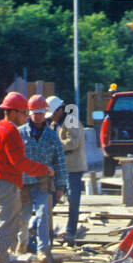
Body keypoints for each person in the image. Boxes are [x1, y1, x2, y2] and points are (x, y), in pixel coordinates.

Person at [0, 92, 53, 263]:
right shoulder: (11, 131)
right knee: (6, 228)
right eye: (23, 113)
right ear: (13, 112)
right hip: (5, 184)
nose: (26, 116)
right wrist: (43, 169)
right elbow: (19, 162)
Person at [17, 94, 67, 263]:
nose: (37, 116)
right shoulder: (20, 133)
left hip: (42, 183)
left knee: (43, 215)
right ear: (29, 113)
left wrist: (61, 186)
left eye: (40, 113)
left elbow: (60, 162)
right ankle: (21, 245)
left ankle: (43, 251)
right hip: (22, 184)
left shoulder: (52, 136)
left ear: (45, 113)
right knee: (22, 219)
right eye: (34, 113)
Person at [47, 96, 88, 244]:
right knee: (51, 195)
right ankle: (42, 226)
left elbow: (73, 142)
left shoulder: (72, 121)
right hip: (60, 167)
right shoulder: (54, 123)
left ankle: (70, 232)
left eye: (53, 112)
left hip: (73, 167)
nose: (51, 115)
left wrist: (55, 147)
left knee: (73, 200)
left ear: (60, 109)